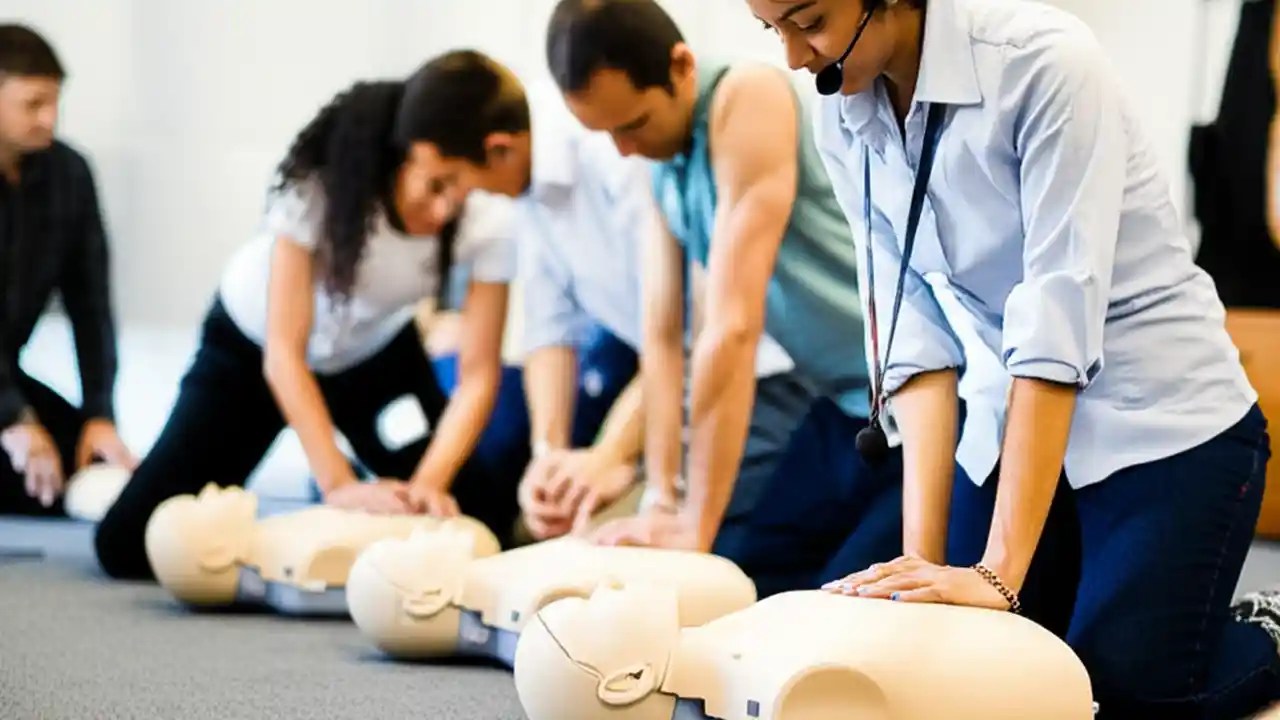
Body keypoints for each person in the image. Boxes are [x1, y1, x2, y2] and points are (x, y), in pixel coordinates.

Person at [746, 0, 1280, 716]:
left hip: (1163, 422)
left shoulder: (1044, 64)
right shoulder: (842, 113)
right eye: (770, 28)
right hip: (1012, 421)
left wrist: (998, 574)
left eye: (807, 22)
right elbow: (915, 343)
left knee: (1105, 696)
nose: (791, 56)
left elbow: (1055, 325)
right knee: (968, 676)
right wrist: (922, 574)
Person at [540, 0, 933, 597]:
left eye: (634, 124)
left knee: (834, 606)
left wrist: (695, 527)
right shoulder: (657, 159)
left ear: (679, 67)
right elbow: (664, 336)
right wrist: (662, 502)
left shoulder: (748, 98)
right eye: (608, 134)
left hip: (923, 404)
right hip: (849, 409)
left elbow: (732, 327)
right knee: (742, 576)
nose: (623, 150)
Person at [385, 51, 819, 563]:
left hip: (757, 375)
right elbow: (549, 335)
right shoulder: (523, 188)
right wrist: (551, 459)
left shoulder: (614, 149)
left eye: (450, 182)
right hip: (663, 388)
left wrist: (614, 454)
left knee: (653, 559)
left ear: (497, 149)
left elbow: (686, 333)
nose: (451, 203)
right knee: (548, 532)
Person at [93, 70, 521, 580]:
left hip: (372, 355)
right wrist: (339, 485)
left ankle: (376, 496)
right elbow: (284, 354)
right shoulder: (320, 186)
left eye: (460, 189)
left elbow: (477, 377)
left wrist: (429, 485)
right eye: (434, 185)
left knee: (481, 518)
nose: (444, 207)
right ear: (400, 158)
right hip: (253, 353)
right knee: (129, 544)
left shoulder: (487, 218)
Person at [0, 24, 136, 517]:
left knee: (81, 465)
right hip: (4, 394)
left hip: (6, 374)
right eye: (33, 104)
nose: (49, 120)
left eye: (55, 103)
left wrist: (100, 413)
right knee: (25, 469)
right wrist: (13, 416)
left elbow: (91, 306)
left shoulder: (70, 175)